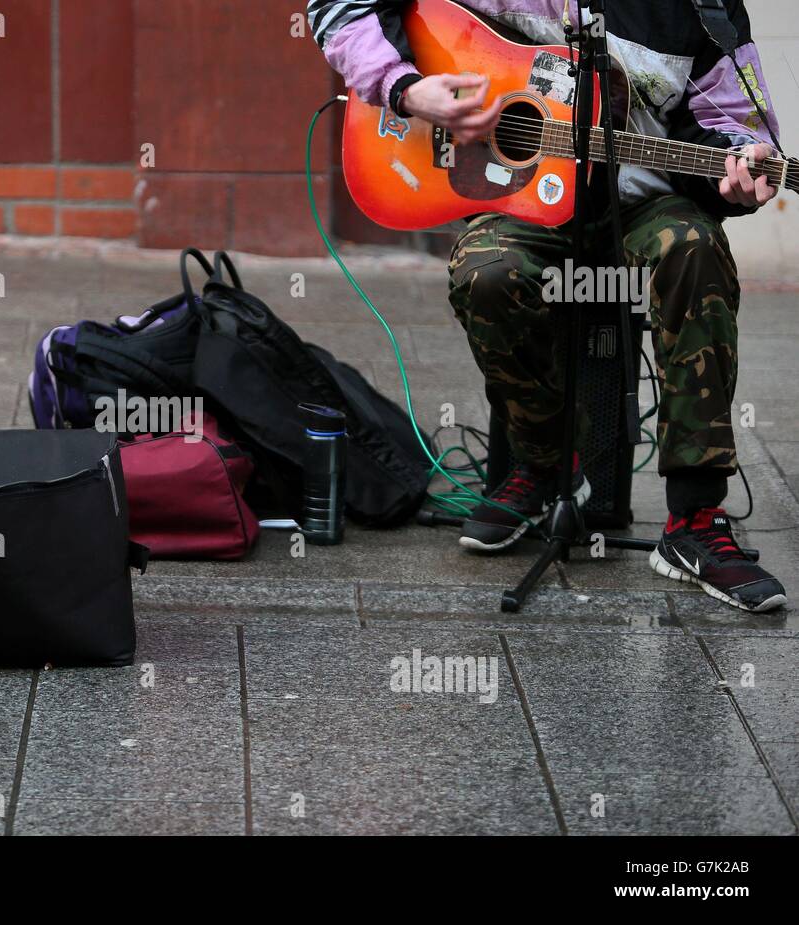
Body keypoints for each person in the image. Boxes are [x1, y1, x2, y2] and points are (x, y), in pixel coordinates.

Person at [311, 0, 786, 612]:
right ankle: (545, 467)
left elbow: (741, 131)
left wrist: (741, 171)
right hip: (527, 199)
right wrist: (406, 88)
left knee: (693, 248)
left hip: (645, 200)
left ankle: (694, 519)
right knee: (485, 271)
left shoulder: (703, 7)